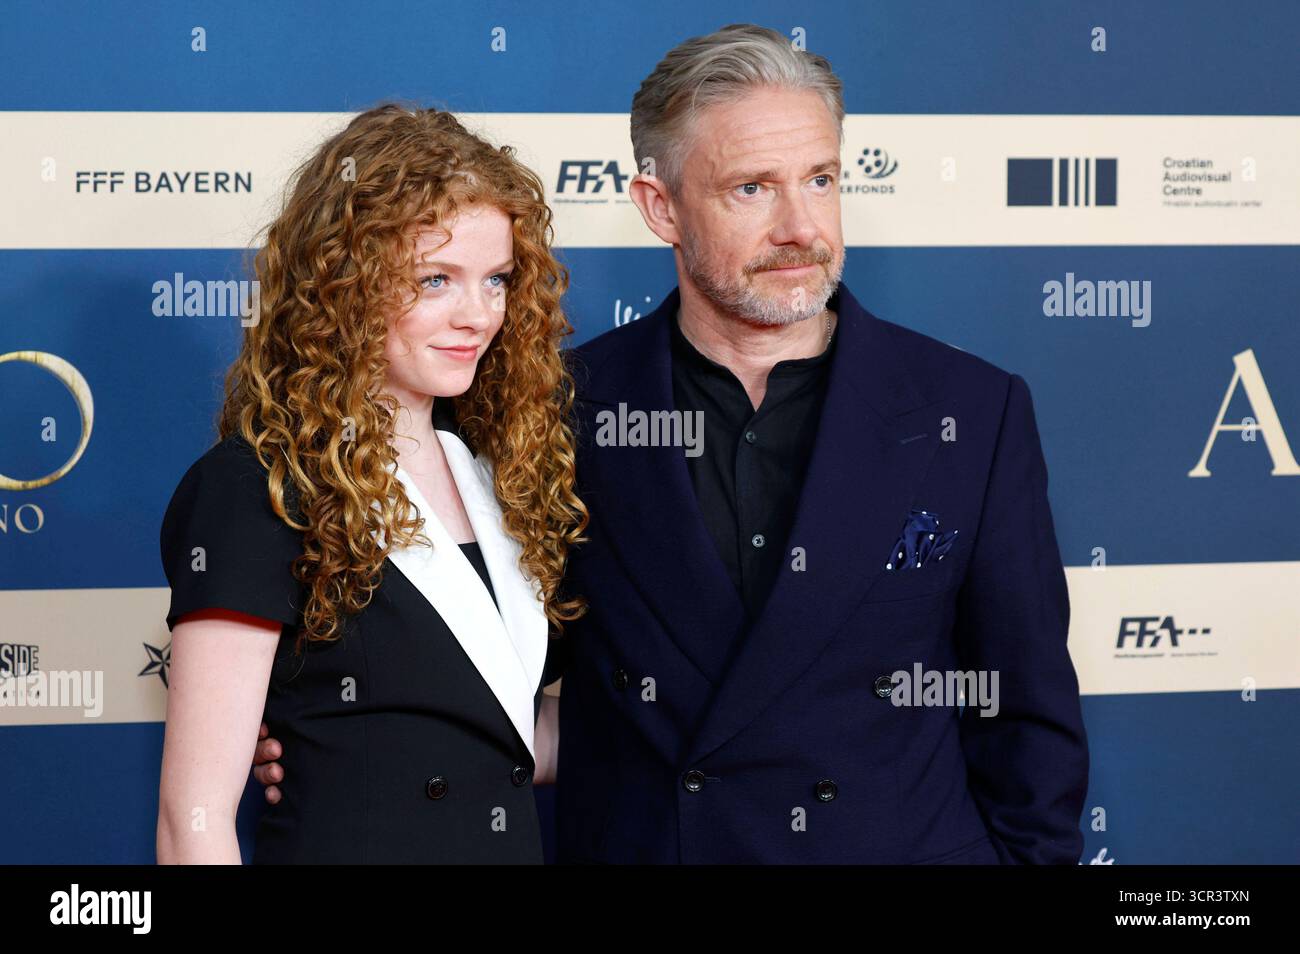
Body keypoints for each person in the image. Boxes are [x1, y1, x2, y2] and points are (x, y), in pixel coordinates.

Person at [260, 24, 1090, 864]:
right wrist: (329, 741)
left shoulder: (970, 413)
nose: (800, 226)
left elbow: (1028, 720)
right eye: (752, 189)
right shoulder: (550, 411)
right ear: (661, 207)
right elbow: (454, 662)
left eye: (821, 179)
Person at [156, 103, 587, 864]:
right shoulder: (257, 486)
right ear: (343, 283)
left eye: (495, 280)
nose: (477, 316)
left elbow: (505, 741)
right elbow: (193, 820)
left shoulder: (493, 476)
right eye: (434, 279)